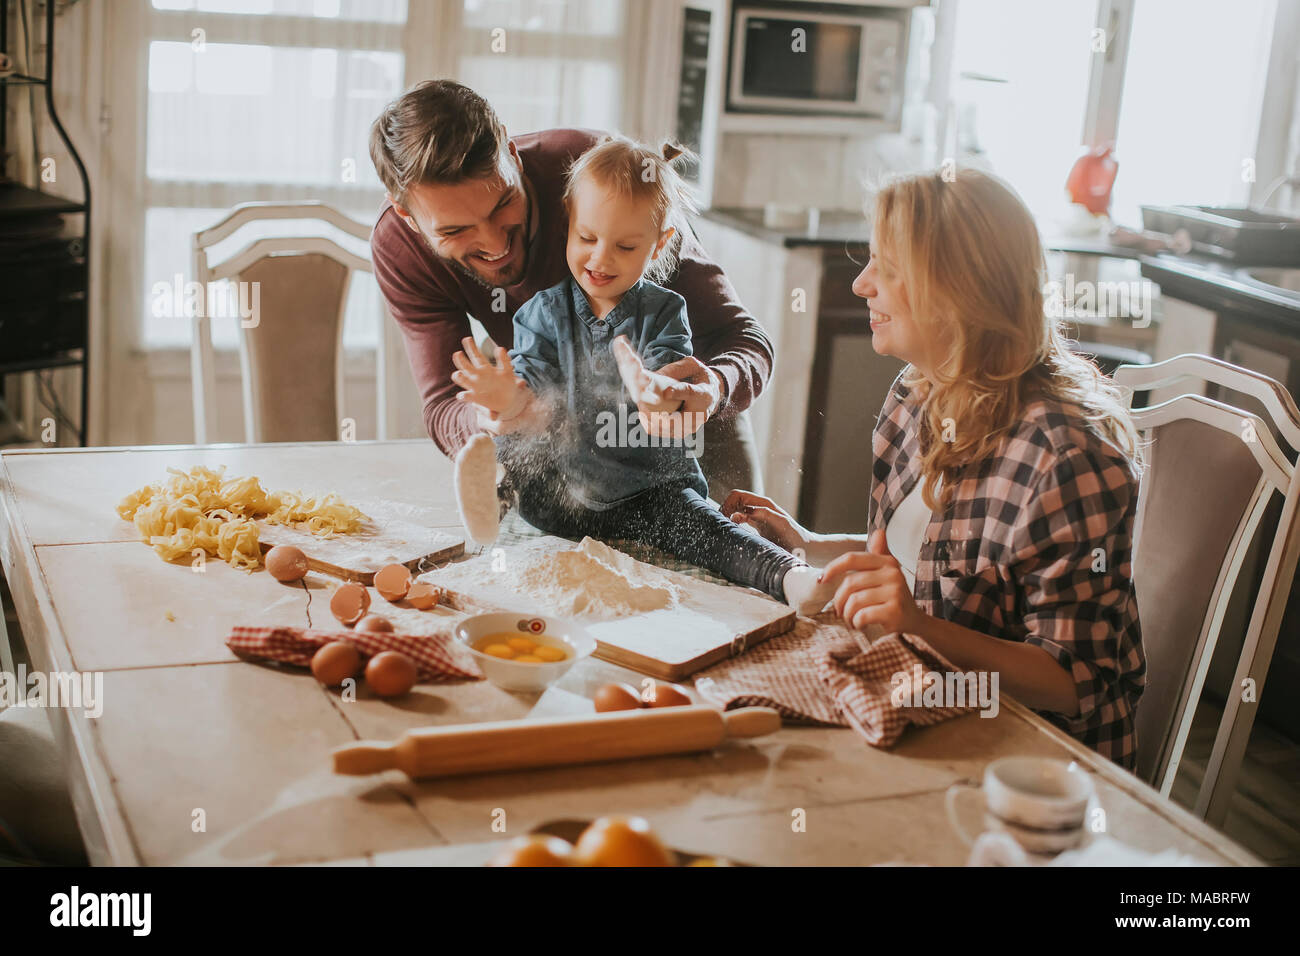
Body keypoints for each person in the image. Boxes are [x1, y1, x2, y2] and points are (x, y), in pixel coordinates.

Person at [724, 168, 1147, 767]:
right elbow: (934, 565)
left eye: (887, 269)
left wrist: (919, 628)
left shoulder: (1068, 457)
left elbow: (1077, 681)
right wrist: (814, 545)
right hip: (930, 702)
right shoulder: (916, 392)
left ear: (959, 291)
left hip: (1031, 768)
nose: (862, 285)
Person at [451, 135, 826, 612]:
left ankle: (789, 575)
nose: (601, 259)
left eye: (625, 246)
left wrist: (657, 392)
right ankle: (491, 497)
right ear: (569, 220)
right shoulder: (539, 314)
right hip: (562, 494)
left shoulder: (665, 312)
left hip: (649, 493)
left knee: (707, 529)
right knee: (519, 450)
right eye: (587, 238)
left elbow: (673, 372)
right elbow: (535, 399)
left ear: (659, 244)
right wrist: (509, 400)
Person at [368, 79, 773, 502]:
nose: (494, 244)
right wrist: (496, 412)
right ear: (406, 215)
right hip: (557, 442)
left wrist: (712, 388)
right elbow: (445, 407)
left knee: (736, 548)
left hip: (688, 421)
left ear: (511, 154)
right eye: (455, 230)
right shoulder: (400, 247)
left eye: (503, 203)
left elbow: (745, 340)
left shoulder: (598, 171)